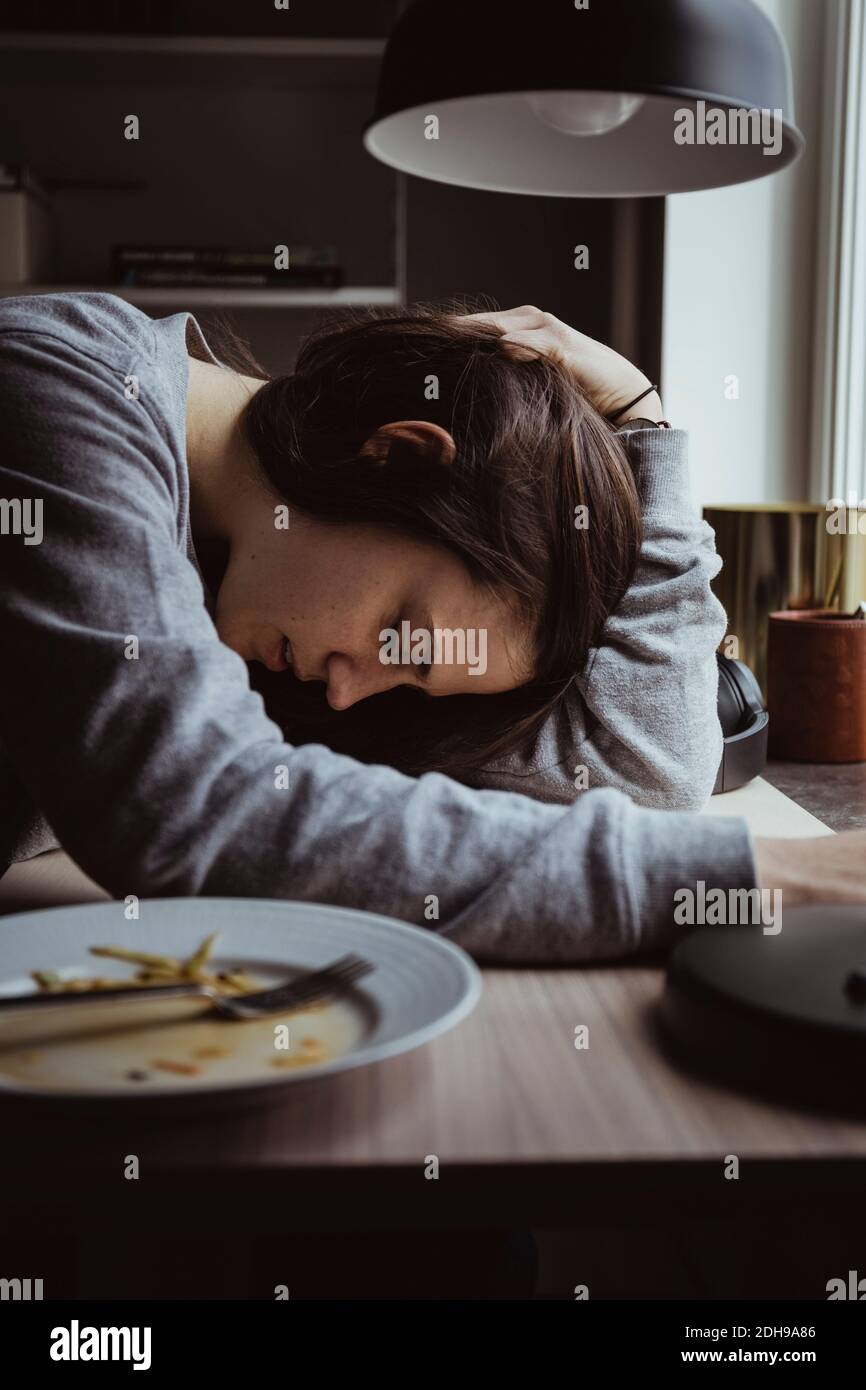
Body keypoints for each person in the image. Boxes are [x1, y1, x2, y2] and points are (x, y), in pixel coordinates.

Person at [0, 293, 862, 963]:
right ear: (401, 455)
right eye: (401, 632)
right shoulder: (61, 391)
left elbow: (652, 775)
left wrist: (645, 427)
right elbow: (189, 808)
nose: (346, 690)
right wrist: (758, 878)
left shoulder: (239, 587)